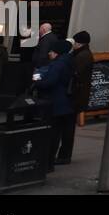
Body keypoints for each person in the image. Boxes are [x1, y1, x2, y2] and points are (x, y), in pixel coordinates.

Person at [33, 39, 74, 173]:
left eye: (51, 51)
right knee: (57, 134)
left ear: (57, 52)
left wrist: (37, 80)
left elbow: (48, 82)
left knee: (51, 135)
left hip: (55, 102)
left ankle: (47, 163)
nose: (49, 53)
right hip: (65, 103)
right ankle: (49, 162)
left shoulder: (58, 65)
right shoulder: (69, 61)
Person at [57, 31, 93, 164]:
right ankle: (64, 154)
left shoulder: (81, 56)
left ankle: (64, 155)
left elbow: (74, 74)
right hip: (77, 95)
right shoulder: (82, 54)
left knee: (67, 127)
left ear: (79, 43)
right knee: (68, 126)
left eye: (76, 42)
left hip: (74, 95)